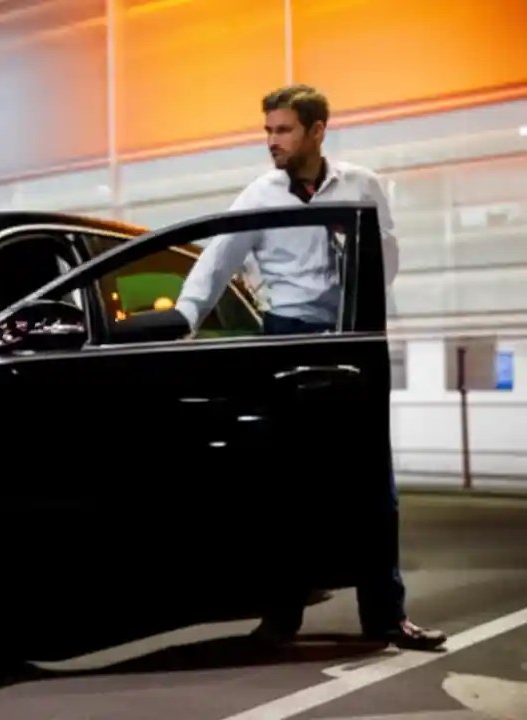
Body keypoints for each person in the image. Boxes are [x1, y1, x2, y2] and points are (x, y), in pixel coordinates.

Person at [173, 84, 447, 651]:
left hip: (353, 336)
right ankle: (279, 621)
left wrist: (354, 251)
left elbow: (386, 260)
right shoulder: (257, 195)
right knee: (289, 487)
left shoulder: (362, 186)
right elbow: (215, 263)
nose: (271, 141)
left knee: (374, 486)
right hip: (288, 338)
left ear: (317, 131)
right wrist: (182, 319)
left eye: (283, 130)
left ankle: (387, 617)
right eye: (268, 130)